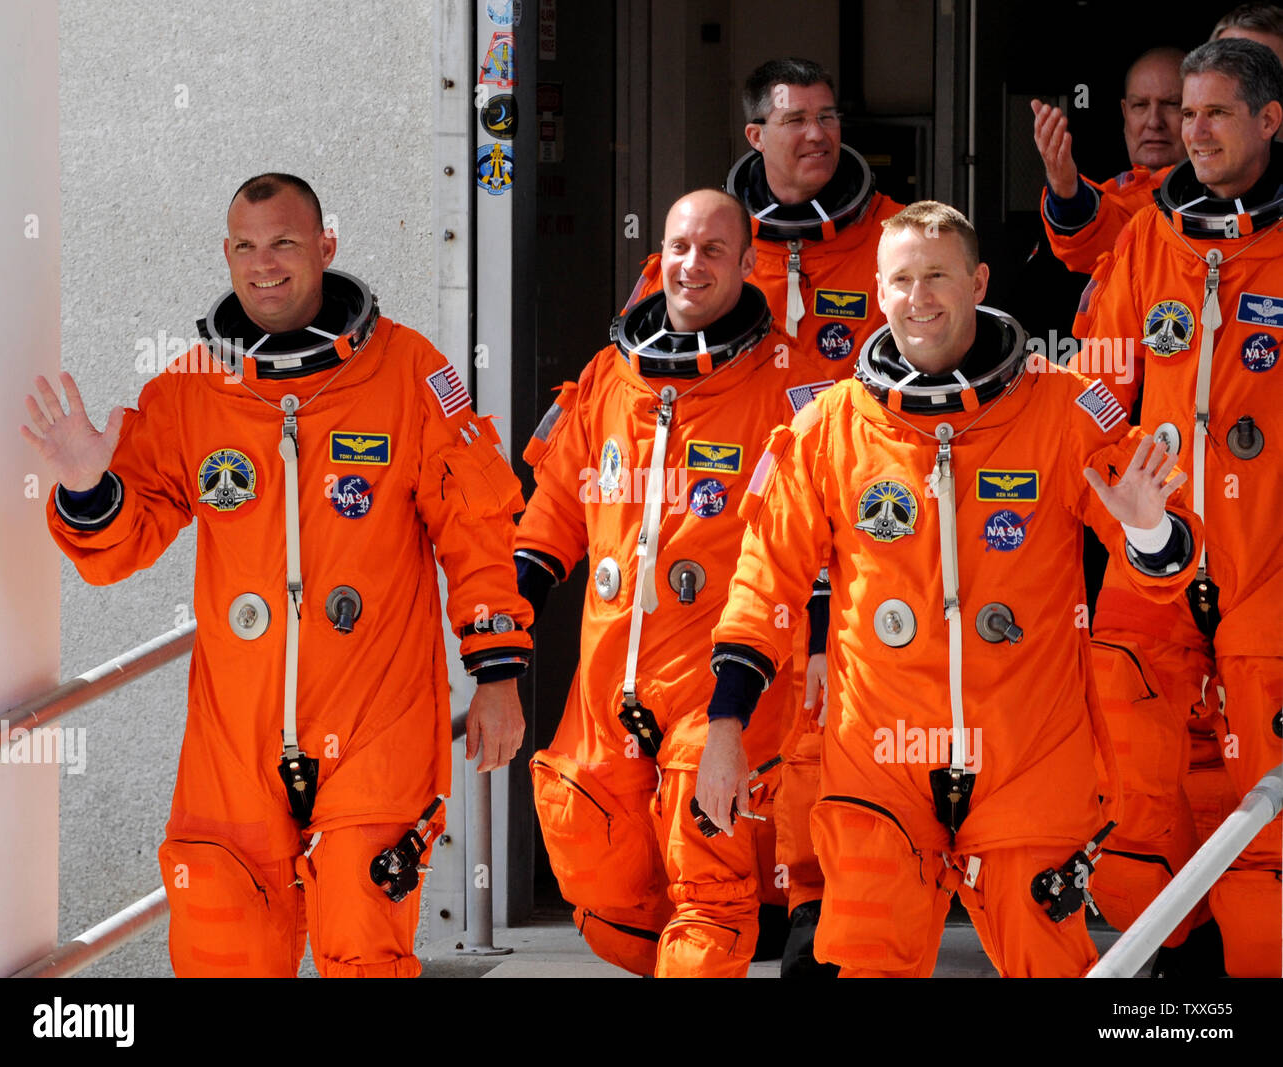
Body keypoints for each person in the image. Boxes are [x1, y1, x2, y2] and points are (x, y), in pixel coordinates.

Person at [21, 173, 532, 978]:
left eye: (285, 243)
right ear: (227, 255)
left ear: (326, 247)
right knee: (224, 949)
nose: (265, 264)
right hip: (235, 738)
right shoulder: (191, 389)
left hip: (376, 718)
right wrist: (89, 486)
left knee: (363, 945)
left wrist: (496, 671)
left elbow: (476, 526)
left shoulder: (409, 373)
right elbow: (123, 546)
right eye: (247, 246)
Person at [697, 200, 1202, 977]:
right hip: (880, 761)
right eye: (900, 279)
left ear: (979, 281)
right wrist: (725, 725)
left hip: (1026, 756)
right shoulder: (828, 426)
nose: (917, 297)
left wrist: (1142, 531)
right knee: (866, 959)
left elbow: (1170, 554)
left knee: (1049, 962)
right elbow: (764, 581)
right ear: (877, 287)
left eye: (937, 275)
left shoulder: (1063, 408)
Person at [516, 188, 830, 977]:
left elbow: (825, 537)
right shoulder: (607, 378)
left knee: (708, 880)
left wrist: (821, 648)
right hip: (608, 684)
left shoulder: (792, 386)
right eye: (680, 248)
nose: (693, 265)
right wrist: (502, 635)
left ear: (749, 263)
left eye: (714, 250)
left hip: (721, 681)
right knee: (596, 875)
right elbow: (551, 513)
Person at [1076, 37, 1283, 977]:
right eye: (1185, 114)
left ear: (1270, 120)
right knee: (1133, 797)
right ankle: (1174, 966)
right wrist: (1128, 499)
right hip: (1150, 557)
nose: (1191, 132)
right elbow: (1094, 390)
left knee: (1263, 803)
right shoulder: (1145, 238)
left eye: (1214, 114)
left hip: (1266, 561)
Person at [1030, 46, 1186, 276]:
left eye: (1172, 104)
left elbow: (1116, 232)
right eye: (1140, 105)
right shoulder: (1121, 187)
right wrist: (1064, 188)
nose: (1154, 121)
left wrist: (1068, 193)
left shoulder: (1211, 188)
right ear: (1125, 114)